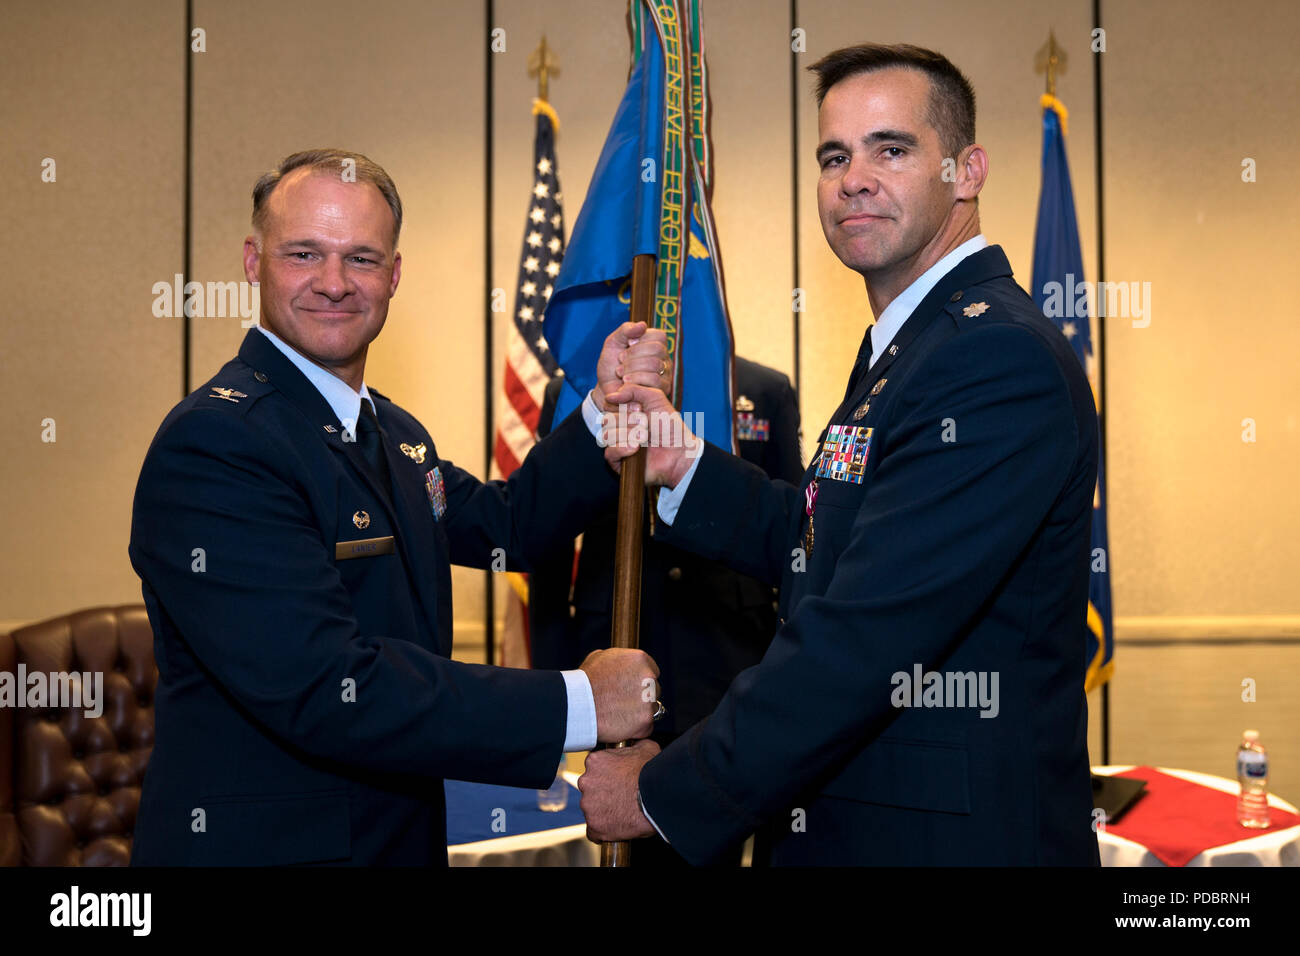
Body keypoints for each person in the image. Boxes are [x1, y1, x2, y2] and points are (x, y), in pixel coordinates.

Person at [577, 44, 1103, 866]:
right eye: (834, 156)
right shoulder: (916, 347)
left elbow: (866, 631)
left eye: (890, 149)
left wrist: (662, 792)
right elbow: (835, 540)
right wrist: (685, 466)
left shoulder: (993, 357)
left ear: (967, 171)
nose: (854, 176)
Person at [127, 149, 665, 866]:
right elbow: (330, 686)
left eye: (361, 258)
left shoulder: (394, 434)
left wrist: (603, 412)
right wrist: (578, 704)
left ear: (394, 275)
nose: (333, 283)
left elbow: (507, 528)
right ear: (254, 264)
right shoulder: (216, 444)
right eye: (303, 254)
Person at [530, 358, 803, 866]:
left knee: (715, 839)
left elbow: (798, 544)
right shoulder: (580, 393)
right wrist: (554, 680)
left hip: (725, 656)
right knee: (622, 834)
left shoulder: (762, 389)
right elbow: (547, 535)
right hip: (615, 652)